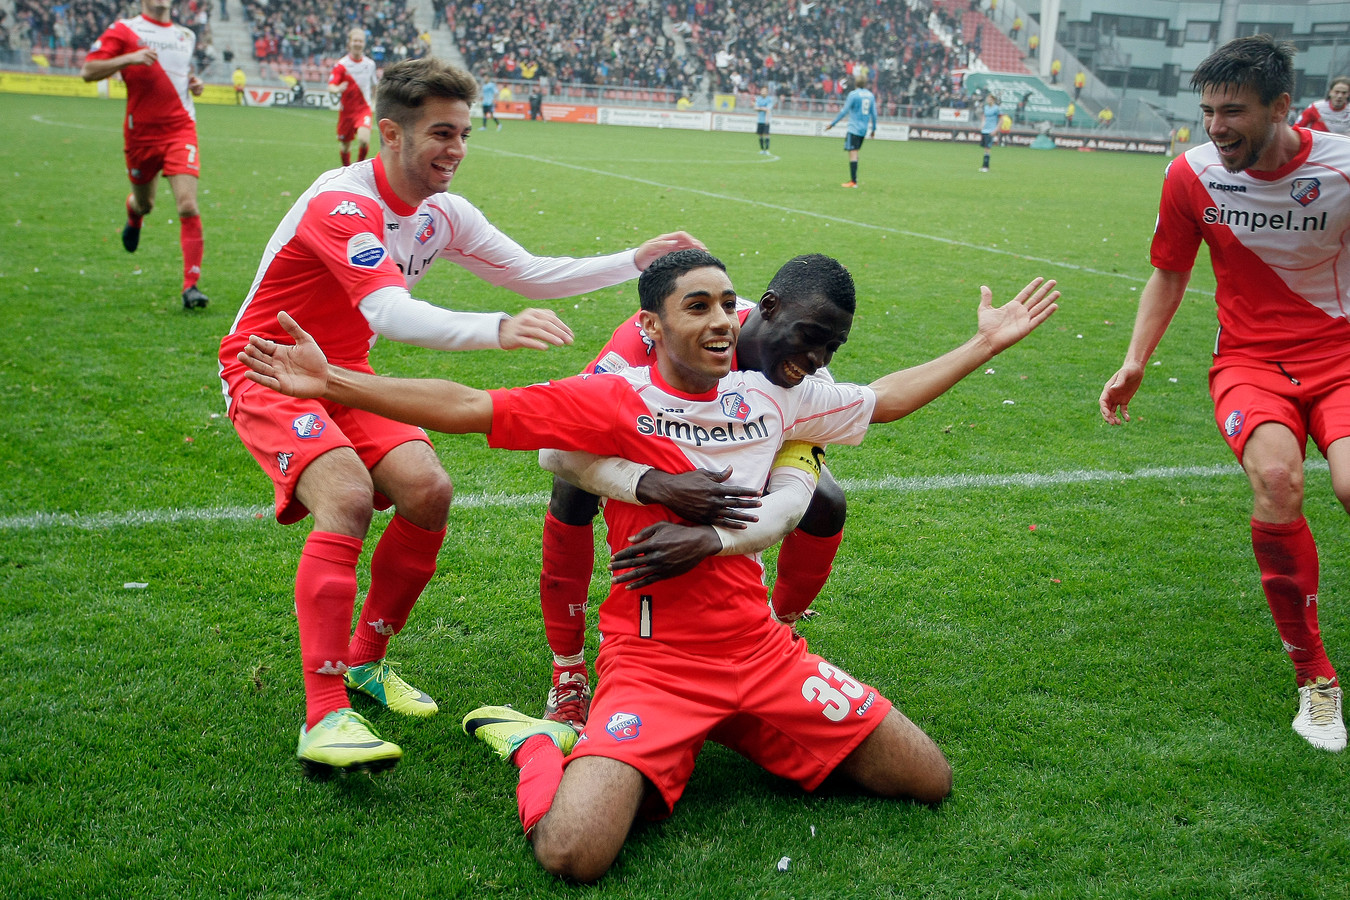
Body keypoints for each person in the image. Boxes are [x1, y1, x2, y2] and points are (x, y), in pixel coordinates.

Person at [237, 249, 1059, 881]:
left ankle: (736, 724)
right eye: (694, 306)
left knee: (927, 779)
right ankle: (537, 747)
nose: (718, 319)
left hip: (760, 652)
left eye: (725, 304)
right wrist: (333, 379)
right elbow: (467, 407)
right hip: (654, 666)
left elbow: (886, 398)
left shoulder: (776, 395)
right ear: (653, 326)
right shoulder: (614, 397)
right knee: (573, 854)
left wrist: (981, 346)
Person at [216, 57, 704, 778]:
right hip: (269, 369)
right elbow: (389, 310)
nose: (456, 150)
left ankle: (366, 665)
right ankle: (325, 715)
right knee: (347, 497)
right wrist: (495, 329)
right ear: (389, 133)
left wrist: (634, 258)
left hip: (343, 374)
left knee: (428, 491)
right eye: (441, 134)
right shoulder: (340, 205)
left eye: (465, 134)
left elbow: (529, 272)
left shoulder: (442, 212)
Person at [1099, 35, 1350, 753]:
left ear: (1280, 107)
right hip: (1248, 361)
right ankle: (1316, 681)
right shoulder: (1191, 176)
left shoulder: (1341, 168)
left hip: (1340, 357)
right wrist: (1135, 359)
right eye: (1207, 110)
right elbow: (1170, 273)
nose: (1216, 126)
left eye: (1233, 110)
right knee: (1277, 480)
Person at [533, 255, 861, 731]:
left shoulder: (806, 378)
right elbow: (561, 445)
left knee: (826, 503)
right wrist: (652, 483)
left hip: (740, 443)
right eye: (811, 338)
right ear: (768, 310)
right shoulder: (646, 340)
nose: (816, 360)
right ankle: (568, 671)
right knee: (571, 490)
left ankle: (779, 627)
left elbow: (795, 493)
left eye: (831, 347)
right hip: (650, 440)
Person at [81, 0, 210, 311]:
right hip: (141, 134)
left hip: (180, 129)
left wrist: (193, 83)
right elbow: (88, 71)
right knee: (146, 203)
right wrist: (129, 59)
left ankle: (190, 286)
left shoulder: (185, 35)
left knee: (188, 204)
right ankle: (134, 213)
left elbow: (177, 76)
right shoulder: (125, 30)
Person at [328, 28, 377, 167]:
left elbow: (375, 86)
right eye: (355, 40)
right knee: (345, 146)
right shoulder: (341, 65)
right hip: (347, 112)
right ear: (349, 43)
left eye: (360, 41)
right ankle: (347, 169)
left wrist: (378, 100)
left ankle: (359, 168)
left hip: (363, 109)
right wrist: (337, 88)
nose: (357, 43)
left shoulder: (370, 64)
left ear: (364, 43)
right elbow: (331, 86)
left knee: (363, 139)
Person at [824, 73, 877, 188]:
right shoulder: (870, 95)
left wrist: (832, 124)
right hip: (863, 129)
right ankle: (854, 179)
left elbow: (844, 111)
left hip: (854, 128)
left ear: (856, 83)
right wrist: (873, 129)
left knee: (853, 153)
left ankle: (853, 181)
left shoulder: (853, 95)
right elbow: (874, 114)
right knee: (856, 152)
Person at [979, 92, 1000, 171]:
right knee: (985, 148)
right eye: (987, 99)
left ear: (993, 100)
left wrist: (996, 129)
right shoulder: (986, 107)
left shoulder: (996, 108)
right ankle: (984, 165)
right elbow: (984, 116)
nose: (988, 100)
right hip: (985, 130)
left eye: (989, 99)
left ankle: (986, 166)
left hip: (991, 130)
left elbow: (1001, 119)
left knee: (988, 148)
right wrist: (982, 124)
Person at [754, 85, 774, 154]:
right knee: (760, 135)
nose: (763, 92)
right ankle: (762, 149)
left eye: (765, 91)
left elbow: (768, 110)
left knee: (767, 135)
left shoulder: (769, 99)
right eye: (762, 91)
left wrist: (760, 108)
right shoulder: (758, 98)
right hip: (760, 120)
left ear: (767, 92)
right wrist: (763, 108)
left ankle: (767, 150)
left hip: (766, 120)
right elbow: (755, 108)